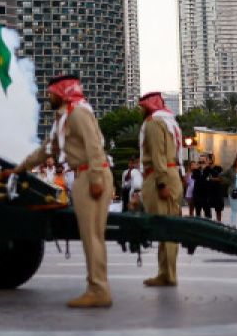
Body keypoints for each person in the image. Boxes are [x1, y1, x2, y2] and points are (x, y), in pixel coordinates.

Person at [16, 74, 113, 308]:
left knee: (92, 236)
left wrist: (97, 178)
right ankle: (96, 287)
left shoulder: (78, 114)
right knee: (91, 236)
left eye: (51, 92)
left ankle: (98, 290)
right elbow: (46, 151)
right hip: (84, 175)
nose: (48, 96)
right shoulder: (64, 118)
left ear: (62, 92)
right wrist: (18, 168)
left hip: (90, 174)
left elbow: (94, 146)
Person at [137, 91, 184, 287]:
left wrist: (162, 183)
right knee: (167, 228)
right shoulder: (170, 121)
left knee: (166, 228)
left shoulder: (154, 123)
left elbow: (158, 156)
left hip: (160, 177)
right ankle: (165, 272)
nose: (140, 110)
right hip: (171, 174)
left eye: (142, 107)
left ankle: (168, 274)